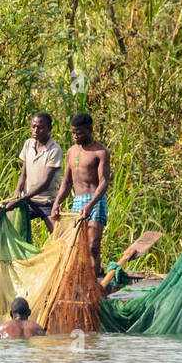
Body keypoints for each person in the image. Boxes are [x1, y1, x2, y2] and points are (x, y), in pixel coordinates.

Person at [51, 112, 110, 272]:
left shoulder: (100, 152)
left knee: (93, 246)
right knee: (74, 246)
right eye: (73, 132)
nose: (75, 136)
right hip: (78, 201)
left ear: (90, 130)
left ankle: (94, 285)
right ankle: (80, 282)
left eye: (79, 132)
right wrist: (57, 203)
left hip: (95, 201)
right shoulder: (71, 151)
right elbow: (67, 181)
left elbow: (104, 181)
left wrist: (91, 204)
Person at [2, 112, 62, 232]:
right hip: (27, 201)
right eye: (33, 126)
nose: (35, 130)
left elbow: (45, 182)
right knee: (7, 228)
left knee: (58, 235)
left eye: (40, 127)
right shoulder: (29, 144)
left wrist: (20, 199)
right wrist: (17, 192)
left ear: (49, 128)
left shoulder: (54, 150)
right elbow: (24, 173)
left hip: (46, 201)